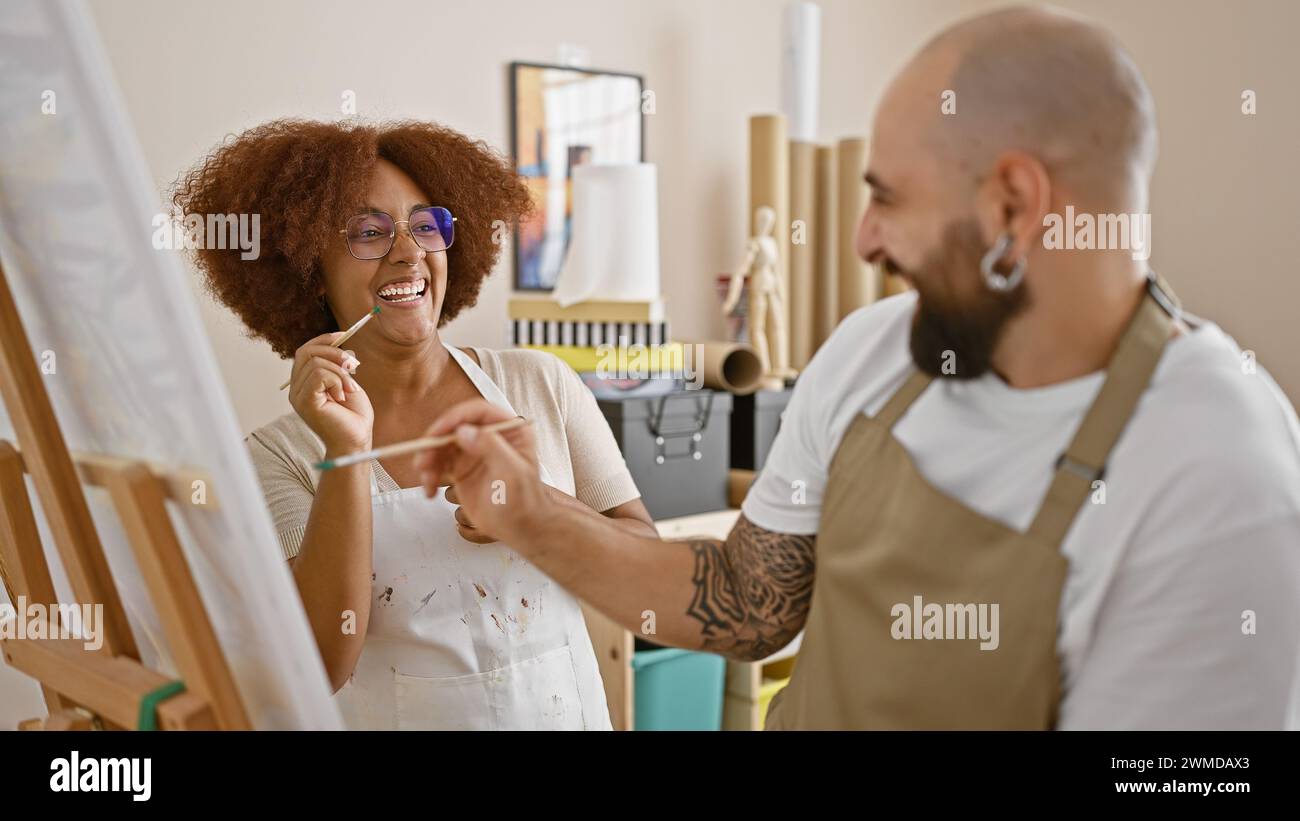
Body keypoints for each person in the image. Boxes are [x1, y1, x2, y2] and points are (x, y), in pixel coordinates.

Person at [412, 7, 1300, 729]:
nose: (864, 238)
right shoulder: (878, 350)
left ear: (1015, 203)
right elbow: (750, 602)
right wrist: (528, 511)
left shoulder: (1219, 465)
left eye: (887, 196)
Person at [174, 119, 655, 730]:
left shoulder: (541, 384)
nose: (409, 251)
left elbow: (648, 580)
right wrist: (345, 451)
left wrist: (543, 512)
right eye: (368, 232)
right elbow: (320, 664)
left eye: (426, 225)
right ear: (308, 270)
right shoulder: (280, 454)